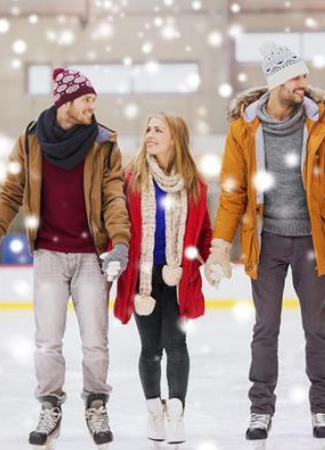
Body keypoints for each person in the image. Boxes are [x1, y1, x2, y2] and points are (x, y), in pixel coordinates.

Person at [204, 42, 325, 445]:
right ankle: (260, 409)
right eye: (296, 76)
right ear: (277, 81)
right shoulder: (244, 129)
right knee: (265, 329)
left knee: (317, 329)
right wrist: (219, 246)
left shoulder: (323, 123)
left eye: (304, 75)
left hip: (312, 242)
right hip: (265, 243)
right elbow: (233, 193)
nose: (304, 82)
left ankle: (322, 407)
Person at [0, 67, 130, 450]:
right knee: (47, 341)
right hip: (48, 254)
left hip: (91, 257)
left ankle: (96, 405)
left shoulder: (103, 143)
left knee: (95, 341)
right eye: (87, 100)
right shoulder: (31, 141)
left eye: (93, 100)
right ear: (65, 101)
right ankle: (50, 407)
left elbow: (114, 195)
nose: (92, 107)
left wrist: (120, 241)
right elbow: (11, 192)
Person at [113, 112, 213, 446]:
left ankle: (177, 416)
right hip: (140, 278)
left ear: (175, 138)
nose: (150, 135)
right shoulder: (130, 178)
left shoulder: (194, 184)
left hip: (178, 278)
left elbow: (205, 232)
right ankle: (155, 411)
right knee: (150, 348)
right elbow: (116, 223)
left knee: (177, 345)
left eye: (158, 130)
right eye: (148, 129)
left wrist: (211, 260)